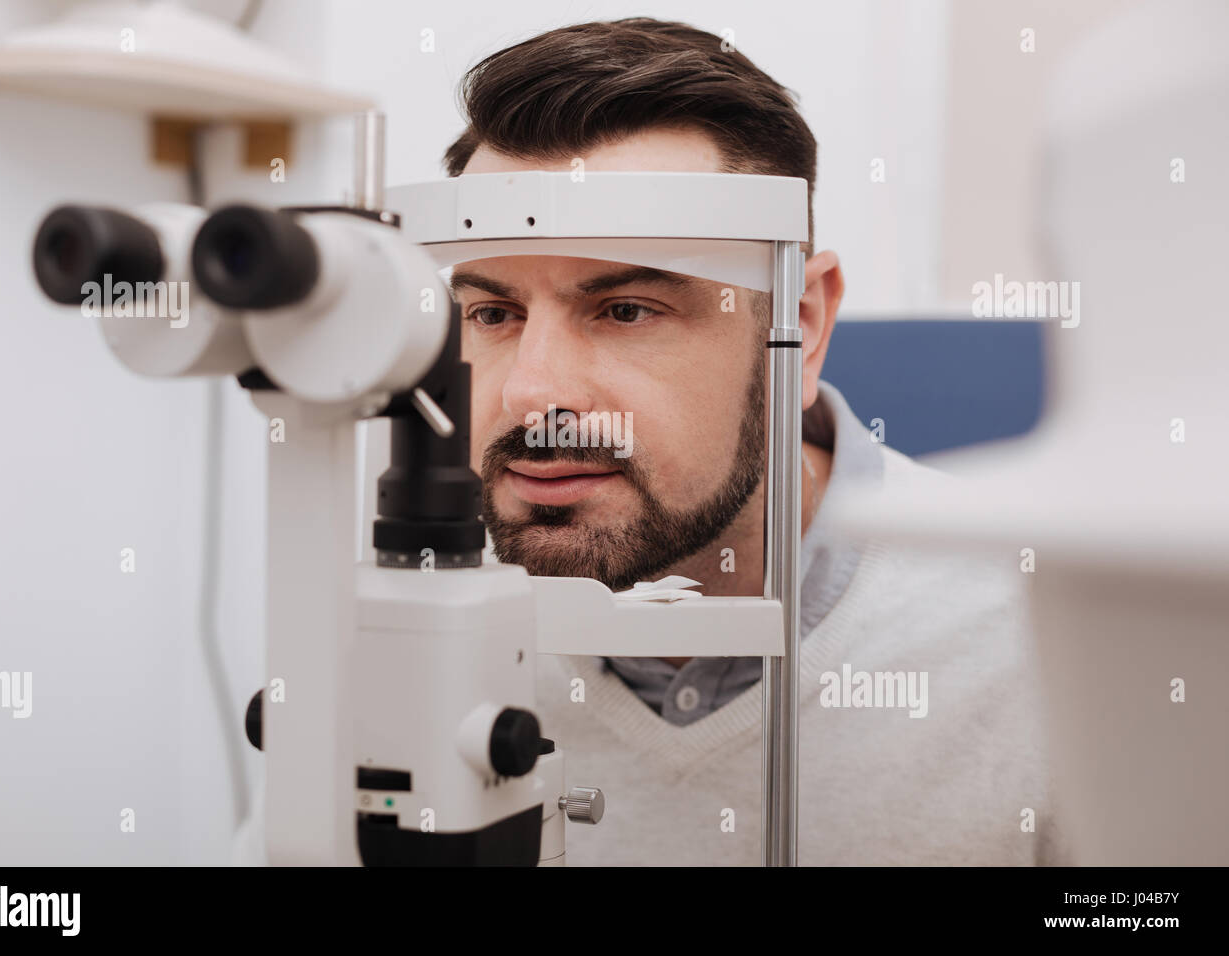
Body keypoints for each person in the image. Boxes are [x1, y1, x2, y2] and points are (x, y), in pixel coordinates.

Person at [235, 16, 1068, 866]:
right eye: (492, 312)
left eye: (626, 310)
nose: (532, 392)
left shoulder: (1052, 632)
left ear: (802, 326)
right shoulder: (402, 630)